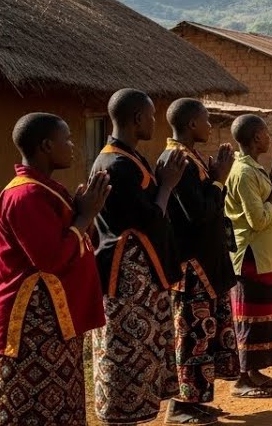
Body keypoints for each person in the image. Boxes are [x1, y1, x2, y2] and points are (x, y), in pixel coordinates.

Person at [0, 113, 108, 426]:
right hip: (35, 321)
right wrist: (85, 216)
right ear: (46, 146)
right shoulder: (25, 195)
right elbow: (50, 259)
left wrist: (85, 213)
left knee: (63, 396)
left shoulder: (46, 189)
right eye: (67, 140)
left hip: (56, 317)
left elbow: (75, 238)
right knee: (36, 401)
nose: (73, 146)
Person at [91, 89, 185, 425]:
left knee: (144, 348)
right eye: (151, 116)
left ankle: (136, 413)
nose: (154, 122)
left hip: (143, 272)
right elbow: (147, 218)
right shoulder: (116, 164)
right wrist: (168, 185)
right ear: (137, 119)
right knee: (127, 349)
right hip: (127, 273)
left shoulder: (128, 158)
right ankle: (122, 415)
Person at [159, 99, 241, 423]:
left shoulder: (191, 158)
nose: (210, 126)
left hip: (207, 263)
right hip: (192, 267)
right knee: (191, 335)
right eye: (206, 120)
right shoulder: (178, 160)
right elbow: (199, 213)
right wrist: (219, 179)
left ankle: (195, 400)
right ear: (191, 124)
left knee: (203, 335)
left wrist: (216, 179)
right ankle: (180, 403)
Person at [224, 114, 272, 399]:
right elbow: (258, 219)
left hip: (266, 256)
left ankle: (255, 371)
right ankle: (242, 378)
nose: (269, 138)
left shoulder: (254, 168)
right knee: (249, 319)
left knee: (266, 317)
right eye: (265, 133)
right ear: (255, 137)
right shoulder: (243, 173)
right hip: (251, 257)